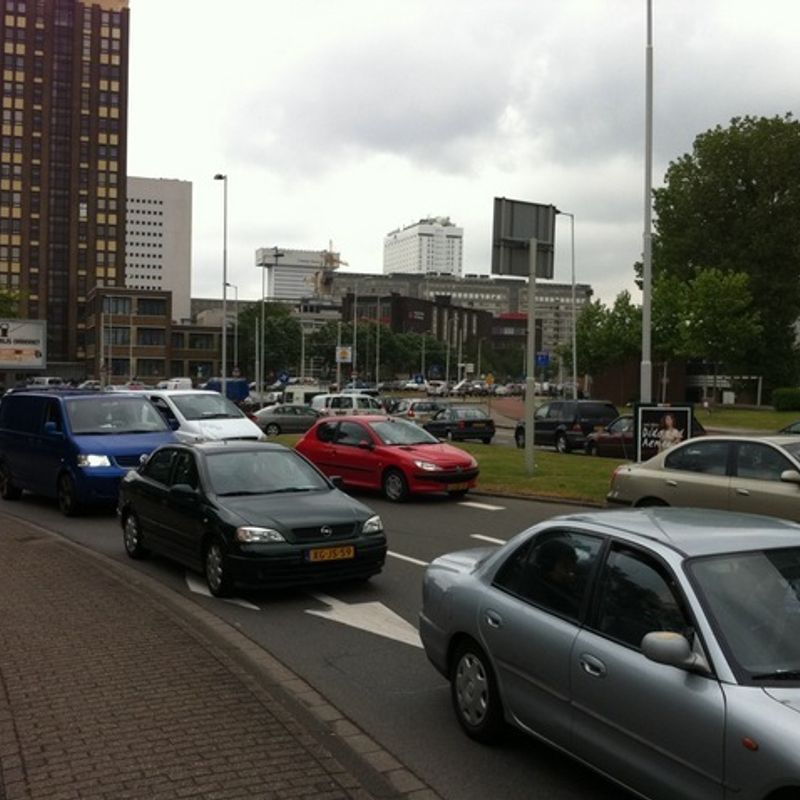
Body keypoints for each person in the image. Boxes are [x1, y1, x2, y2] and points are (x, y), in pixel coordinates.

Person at [532, 539, 580, 616]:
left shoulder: (567, 588)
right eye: (566, 566)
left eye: (572, 567)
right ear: (548, 566)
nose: (571, 573)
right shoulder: (539, 592)